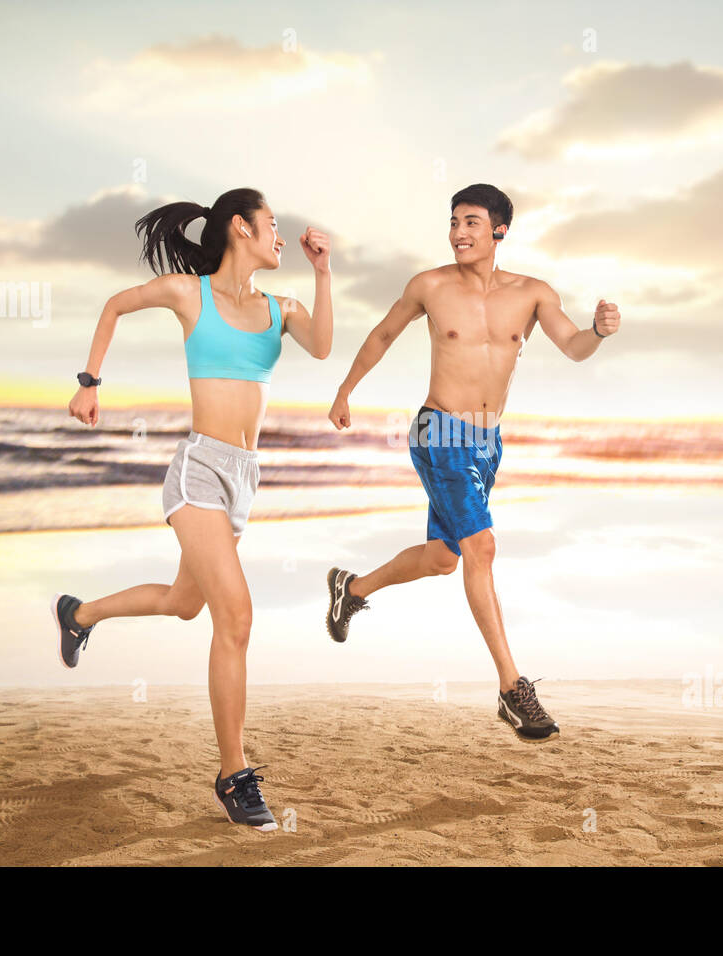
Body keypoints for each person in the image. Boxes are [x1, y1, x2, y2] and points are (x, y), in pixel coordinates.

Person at [50, 188, 333, 830]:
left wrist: (322, 271)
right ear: (242, 227)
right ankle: (234, 776)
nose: (281, 236)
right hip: (199, 470)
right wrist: (88, 385)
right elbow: (115, 305)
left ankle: (79, 613)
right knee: (235, 616)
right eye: (273, 225)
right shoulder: (191, 294)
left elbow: (321, 345)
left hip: (244, 479)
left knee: (186, 602)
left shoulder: (279, 308)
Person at [325, 183, 620, 743]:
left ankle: (353, 589)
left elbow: (574, 347)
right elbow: (384, 332)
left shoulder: (532, 293)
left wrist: (598, 332)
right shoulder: (430, 285)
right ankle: (513, 690)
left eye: (472, 222)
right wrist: (345, 390)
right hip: (439, 431)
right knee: (481, 548)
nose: (459, 232)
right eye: (454, 221)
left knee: (443, 557)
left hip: (488, 443)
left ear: (499, 230)